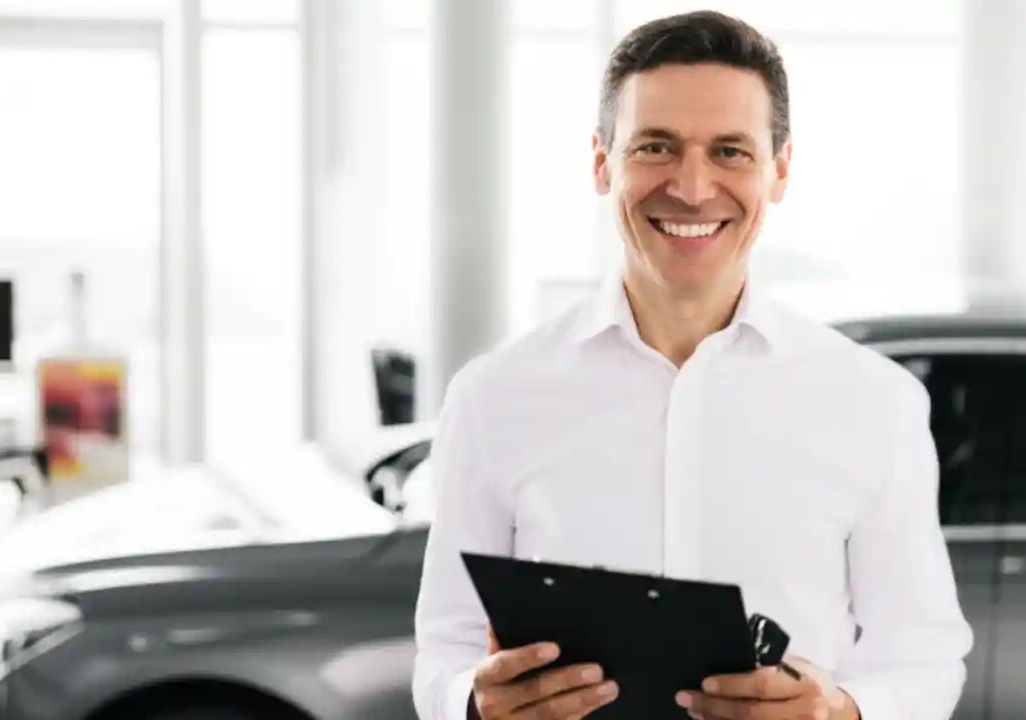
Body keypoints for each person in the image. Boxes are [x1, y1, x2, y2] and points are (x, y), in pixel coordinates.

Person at [413, 10, 973, 720]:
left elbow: (923, 660)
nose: (693, 186)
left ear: (779, 170)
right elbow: (445, 654)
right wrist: (472, 703)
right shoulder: (493, 397)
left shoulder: (874, 402)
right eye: (656, 146)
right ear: (601, 161)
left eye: (730, 151)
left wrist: (843, 712)